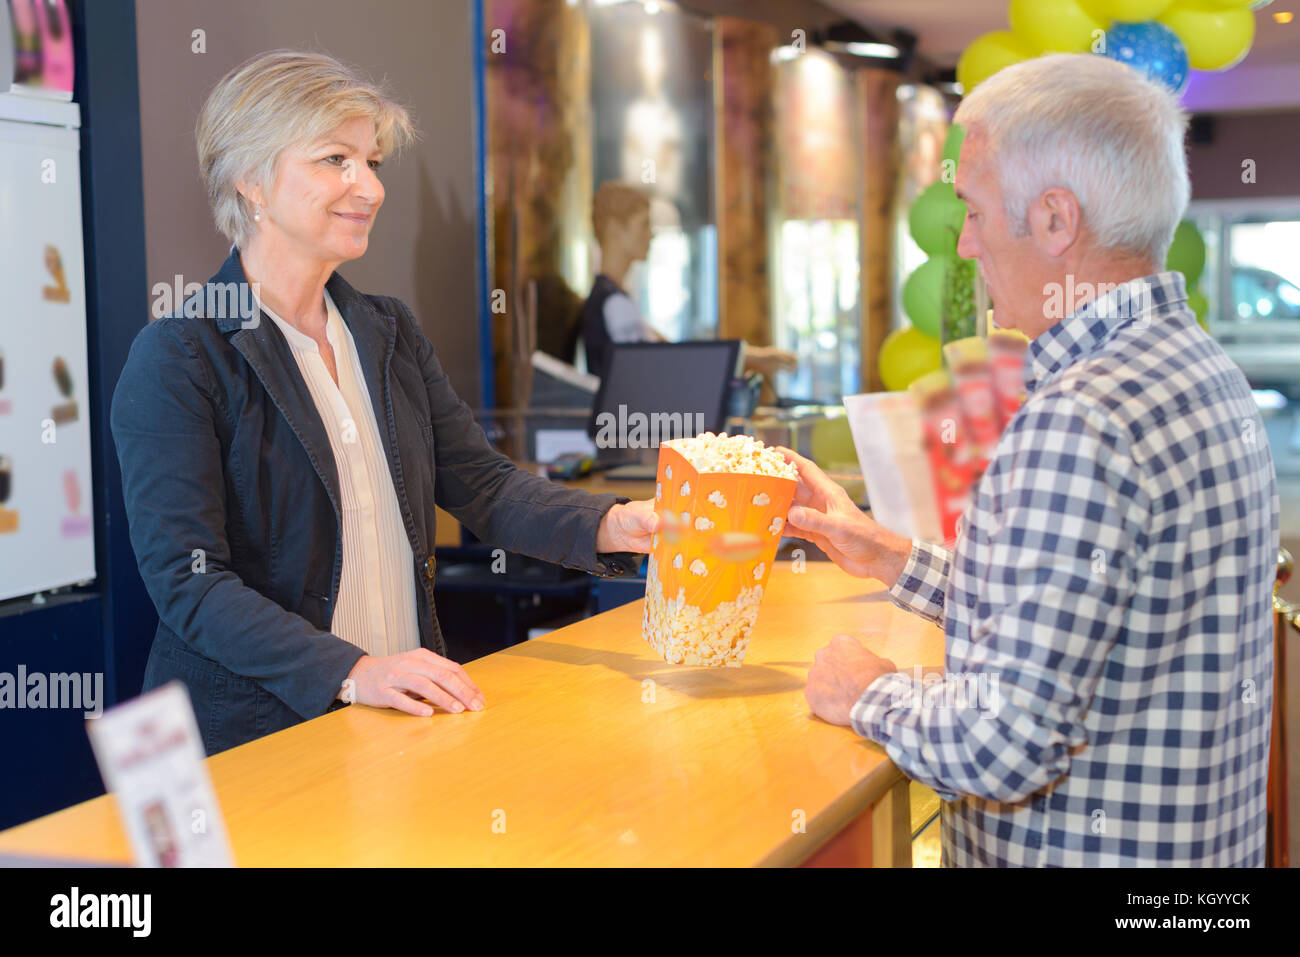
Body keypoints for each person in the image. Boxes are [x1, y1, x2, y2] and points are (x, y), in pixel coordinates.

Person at [785, 53, 1280, 866]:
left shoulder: (1079, 416)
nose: (969, 246)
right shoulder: (1201, 369)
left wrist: (866, 689)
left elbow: (1004, 743)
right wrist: (893, 556)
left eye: (974, 212)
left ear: (1055, 220)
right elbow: (1088, 611)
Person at [110, 50, 657, 755]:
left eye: (372, 162)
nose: (367, 186)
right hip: (260, 747)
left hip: (396, 725)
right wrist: (353, 672)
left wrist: (618, 523)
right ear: (250, 179)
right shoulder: (181, 356)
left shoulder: (387, 331)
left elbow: (484, 488)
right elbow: (192, 585)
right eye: (335, 158)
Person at [579, 181, 796, 381]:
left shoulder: (616, 299)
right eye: (644, 225)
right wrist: (750, 357)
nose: (651, 235)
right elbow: (662, 365)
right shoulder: (614, 302)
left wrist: (749, 356)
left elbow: (672, 352)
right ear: (616, 229)